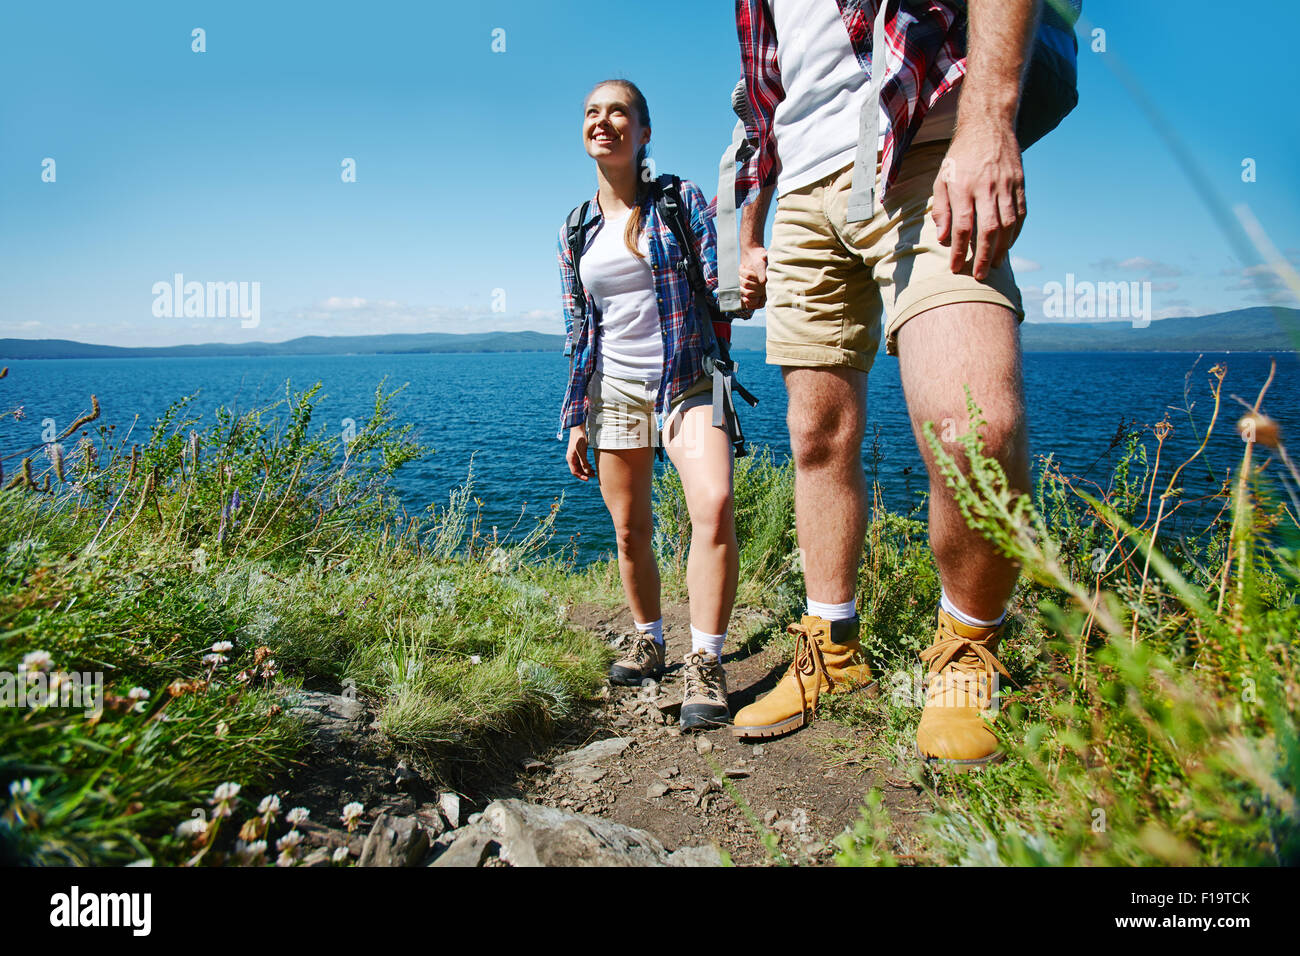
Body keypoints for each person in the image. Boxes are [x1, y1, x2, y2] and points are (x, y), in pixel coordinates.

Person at [726, 0, 1036, 767]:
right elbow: (763, 102)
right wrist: (751, 233)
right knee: (817, 434)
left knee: (975, 429)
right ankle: (832, 651)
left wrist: (990, 122)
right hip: (803, 194)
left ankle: (968, 650)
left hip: (927, 149)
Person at [557, 79, 739, 731]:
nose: (603, 122)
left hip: (690, 378)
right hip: (614, 389)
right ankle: (650, 638)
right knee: (630, 528)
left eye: (618, 112)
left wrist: (750, 274)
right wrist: (576, 411)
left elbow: (718, 279)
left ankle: (706, 662)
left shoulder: (678, 200)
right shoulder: (575, 229)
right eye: (591, 113)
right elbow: (579, 328)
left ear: (644, 131)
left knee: (713, 503)